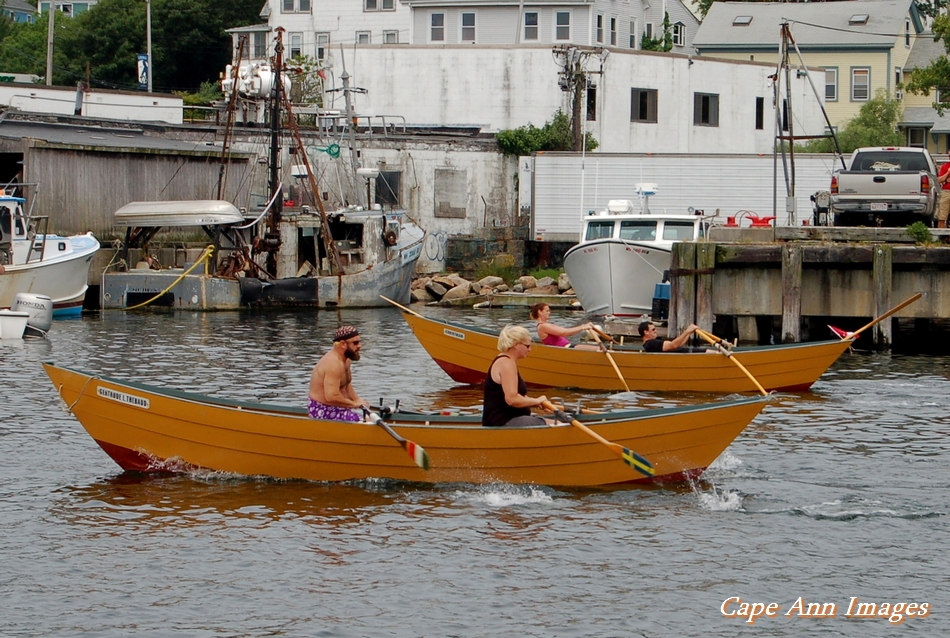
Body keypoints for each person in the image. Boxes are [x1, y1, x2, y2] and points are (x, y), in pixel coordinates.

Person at [482, 325, 550, 427]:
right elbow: (512, 399)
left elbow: (518, 395)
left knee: (553, 421)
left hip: (511, 419)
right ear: (516, 344)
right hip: (503, 422)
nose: (530, 349)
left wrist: (536, 403)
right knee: (558, 424)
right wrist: (537, 400)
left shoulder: (508, 361)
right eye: (527, 346)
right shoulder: (506, 363)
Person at [308, 325, 371, 422]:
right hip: (323, 410)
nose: (359, 346)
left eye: (359, 342)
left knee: (368, 418)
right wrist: (354, 404)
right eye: (355, 343)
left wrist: (358, 401)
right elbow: (331, 396)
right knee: (369, 422)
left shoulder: (346, 360)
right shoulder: (334, 364)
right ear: (342, 344)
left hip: (339, 407)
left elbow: (347, 385)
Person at [529, 302, 598, 349]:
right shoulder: (542, 327)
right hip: (565, 348)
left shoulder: (546, 325)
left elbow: (565, 331)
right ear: (540, 312)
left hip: (567, 346)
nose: (549, 313)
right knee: (597, 349)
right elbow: (565, 333)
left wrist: (584, 326)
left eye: (549, 311)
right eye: (547, 311)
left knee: (598, 348)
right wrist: (583, 327)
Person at [639, 321, 710, 353]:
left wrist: (689, 333)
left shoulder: (650, 344)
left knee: (716, 352)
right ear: (646, 332)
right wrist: (687, 331)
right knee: (715, 353)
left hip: (689, 352)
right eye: (653, 329)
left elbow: (679, 345)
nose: (656, 331)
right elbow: (673, 345)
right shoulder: (650, 344)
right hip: (689, 354)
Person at [937, 159, 950, 229]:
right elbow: (939, 180)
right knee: (942, 216)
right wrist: (947, 173)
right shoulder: (945, 166)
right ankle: (941, 236)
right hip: (946, 192)